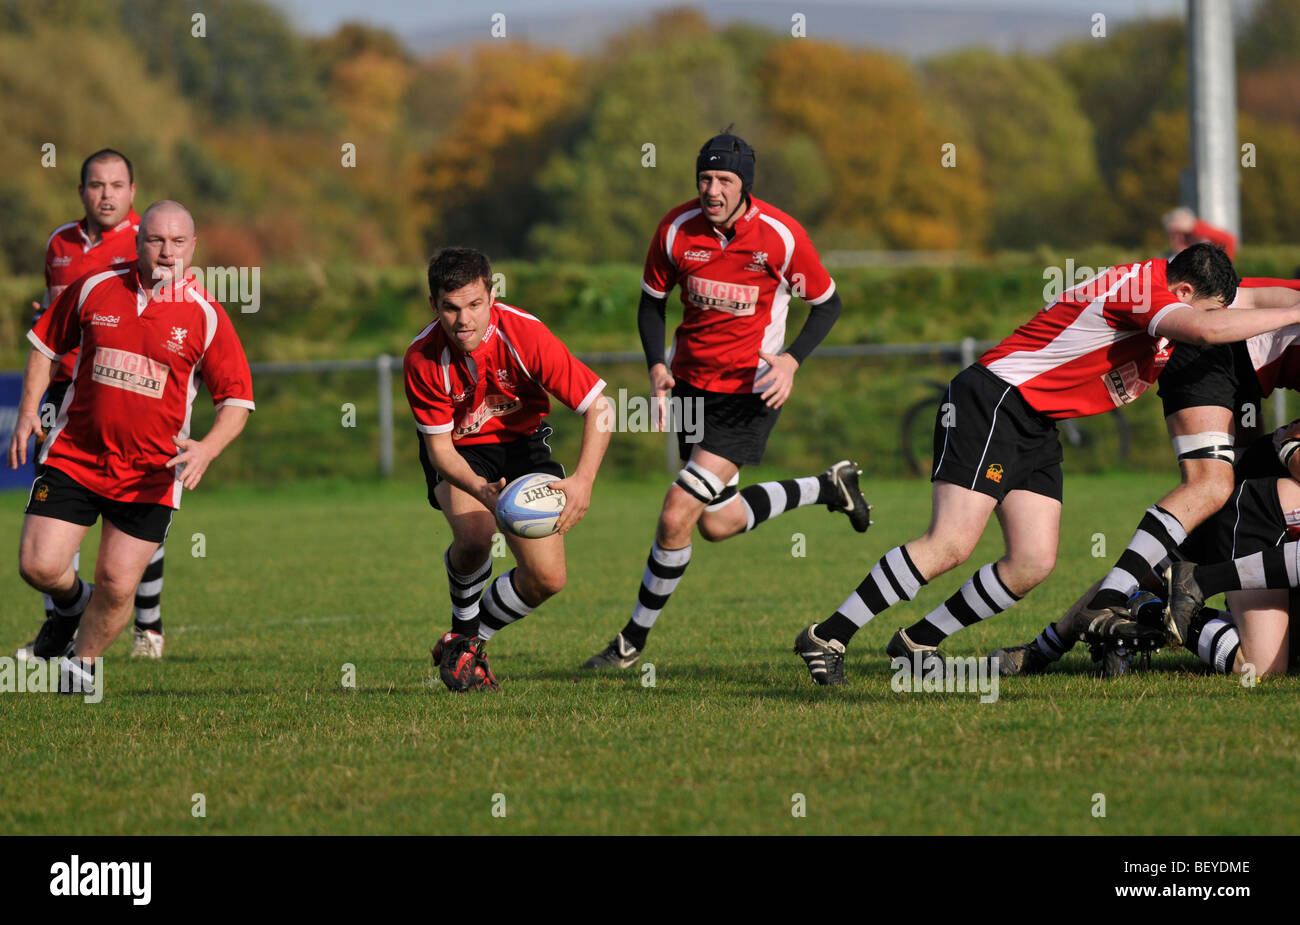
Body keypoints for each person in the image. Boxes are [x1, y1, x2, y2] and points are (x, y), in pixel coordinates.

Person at [792, 244, 1300, 686]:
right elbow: (1207, 333)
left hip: (1036, 422)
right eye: (1209, 309)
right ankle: (830, 635)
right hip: (996, 401)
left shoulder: (1164, 287)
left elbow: (1241, 307)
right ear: (1185, 290)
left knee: (1031, 562)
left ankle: (918, 643)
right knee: (950, 542)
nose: (1214, 320)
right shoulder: (1143, 289)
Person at [582, 131, 870, 671]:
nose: (712, 190)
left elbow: (827, 305)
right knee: (716, 523)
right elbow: (651, 304)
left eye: (725, 180)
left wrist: (790, 361)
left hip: (749, 393)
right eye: (705, 179)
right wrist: (657, 365)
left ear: (745, 186)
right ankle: (827, 486)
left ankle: (630, 643)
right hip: (692, 387)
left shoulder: (781, 237)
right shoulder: (675, 229)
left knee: (675, 515)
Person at [993, 276, 1300, 675]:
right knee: (1209, 488)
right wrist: (1282, 445)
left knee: (1192, 534)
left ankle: (1089, 627)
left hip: (1244, 369)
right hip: (1212, 342)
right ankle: (1112, 607)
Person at [8, 200, 254, 695]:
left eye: (178, 243)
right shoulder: (97, 286)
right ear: (139, 242)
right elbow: (44, 344)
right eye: (156, 241)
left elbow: (238, 399)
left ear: (193, 247)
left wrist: (206, 449)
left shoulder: (206, 314)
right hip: (75, 456)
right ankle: (75, 603)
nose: (167, 253)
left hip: (149, 473)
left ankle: (83, 666)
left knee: (119, 584)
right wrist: (27, 412)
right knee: (39, 566)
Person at [406, 247, 611, 692]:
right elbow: (440, 451)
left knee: (548, 579)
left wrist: (583, 482)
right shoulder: (422, 358)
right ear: (434, 305)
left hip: (524, 446)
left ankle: (465, 642)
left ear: (492, 296)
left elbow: (600, 407)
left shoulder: (526, 335)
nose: (465, 321)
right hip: (463, 453)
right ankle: (464, 637)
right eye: (451, 308)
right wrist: (482, 491)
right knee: (475, 536)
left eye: (475, 305)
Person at [15, 150, 171, 662]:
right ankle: (60, 622)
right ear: (81, 191)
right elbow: (53, 312)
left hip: (125, 389)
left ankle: (147, 622)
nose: (106, 194)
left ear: (132, 192)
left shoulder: (147, 242)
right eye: (96, 185)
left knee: (138, 501)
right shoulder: (59, 242)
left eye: (117, 185)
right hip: (63, 388)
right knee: (59, 500)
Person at [1163, 206, 1237, 260]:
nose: (1179, 239)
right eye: (1173, 235)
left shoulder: (1208, 259)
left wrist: (1195, 227)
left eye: (1185, 235)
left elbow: (1227, 240)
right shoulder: (1163, 262)